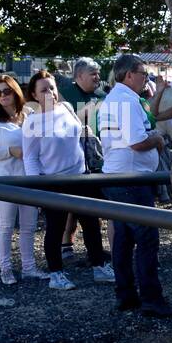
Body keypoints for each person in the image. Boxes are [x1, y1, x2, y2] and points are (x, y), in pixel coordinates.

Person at [23, 70, 113, 290]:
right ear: (34, 95)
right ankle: (56, 273)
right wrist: (37, 188)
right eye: (44, 89)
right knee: (55, 228)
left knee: (91, 223)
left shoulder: (66, 108)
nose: (50, 93)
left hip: (80, 176)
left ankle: (99, 266)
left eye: (52, 87)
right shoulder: (33, 122)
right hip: (53, 181)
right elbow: (30, 158)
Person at [97, 53, 172, 317]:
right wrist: (158, 138)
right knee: (146, 238)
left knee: (124, 240)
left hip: (120, 176)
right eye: (143, 73)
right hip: (130, 179)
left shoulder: (116, 98)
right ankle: (151, 298)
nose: (146, 78)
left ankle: (126, 294)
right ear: (129, 74)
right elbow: (137, 142)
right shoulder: (126, 101)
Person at [0, 74, 46, 286]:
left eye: (6, 91)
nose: (2, 96)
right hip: (5, 179)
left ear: (15, 91)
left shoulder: (29, 114)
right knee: (6, 225)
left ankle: (29, 267)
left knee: (29, 225)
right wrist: (9, 151)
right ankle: (5, 268)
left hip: (29, 177)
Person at [59, 58, 108, 263]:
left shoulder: (102, 95)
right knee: (70, 205)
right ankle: (65, 244)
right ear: (79, 76)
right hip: (72, 156)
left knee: (92, 206)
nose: (97, 77)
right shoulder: (64, 95)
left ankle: (94, 250)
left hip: (95, 156)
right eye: (93, 73)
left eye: (98, 73)